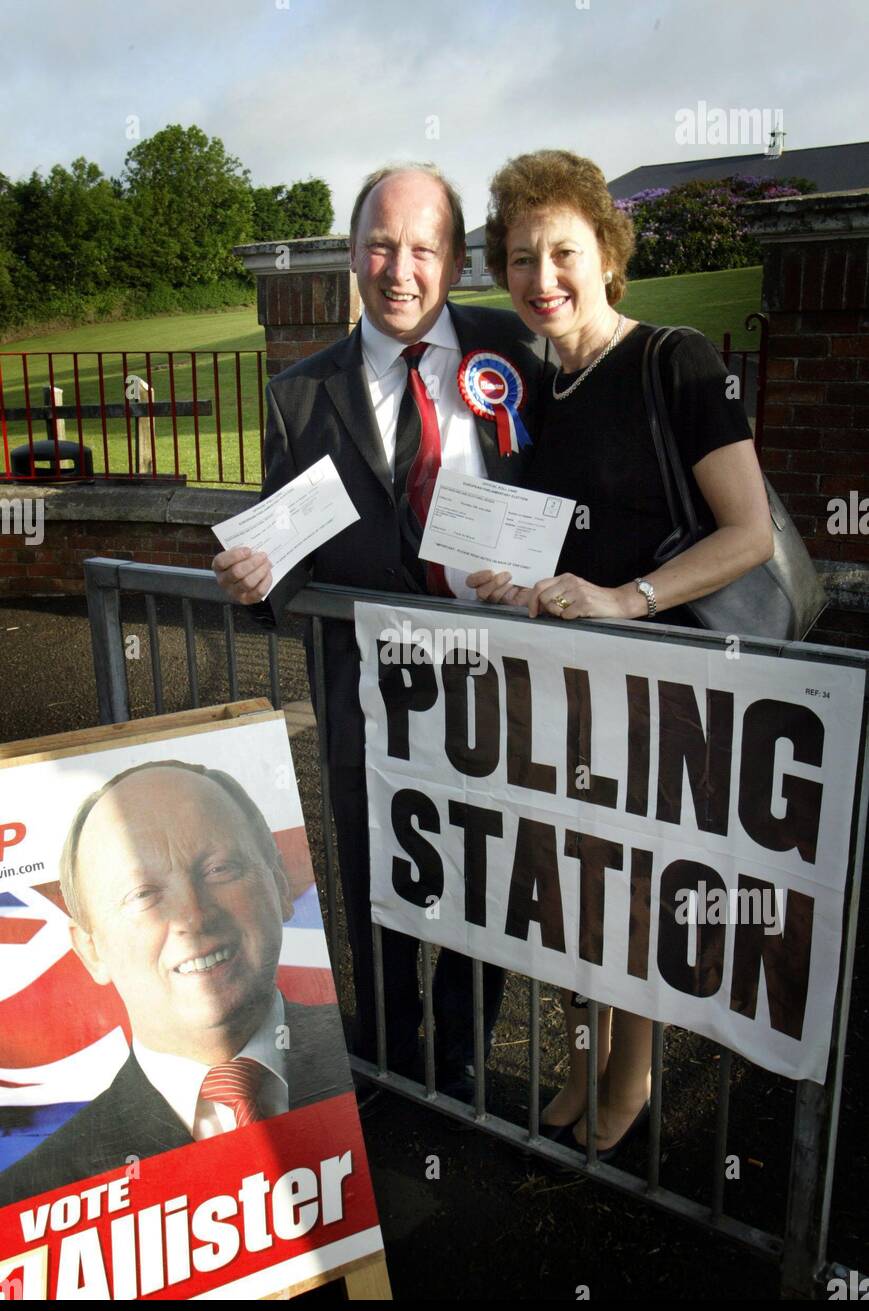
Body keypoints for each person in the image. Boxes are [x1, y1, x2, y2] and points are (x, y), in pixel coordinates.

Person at [213, 163, 548, 1101]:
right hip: (364, 685)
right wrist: (254, 578)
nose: (400, 269)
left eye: (423, 247)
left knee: (486, 863)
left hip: (496, 672)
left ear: (454, 257)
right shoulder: (297, 395)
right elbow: (286, 559)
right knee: (375, 866)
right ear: (352, 251)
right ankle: (396, 1056)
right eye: (380, 244)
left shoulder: (515, 349)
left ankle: (465, 1050)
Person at [469, 149, 773, 1159]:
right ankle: (576, 1059)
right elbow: (553, 541)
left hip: (665, 679)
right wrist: (520, 584)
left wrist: (622, 599)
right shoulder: (528, 388)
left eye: (561, 250)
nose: (540, 276)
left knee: (630, 887)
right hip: (562, 684)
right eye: (519, 257)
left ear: (606, 250)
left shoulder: (673, 360)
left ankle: (630, 1070)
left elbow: (749, 534)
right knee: (564, 884)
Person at [0, 760, 351, 1207]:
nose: (192, 916)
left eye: (221, 869)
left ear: (281, 886)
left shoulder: (370, 1068)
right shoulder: (31, 1197)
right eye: (143, 894)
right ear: (90, 949)